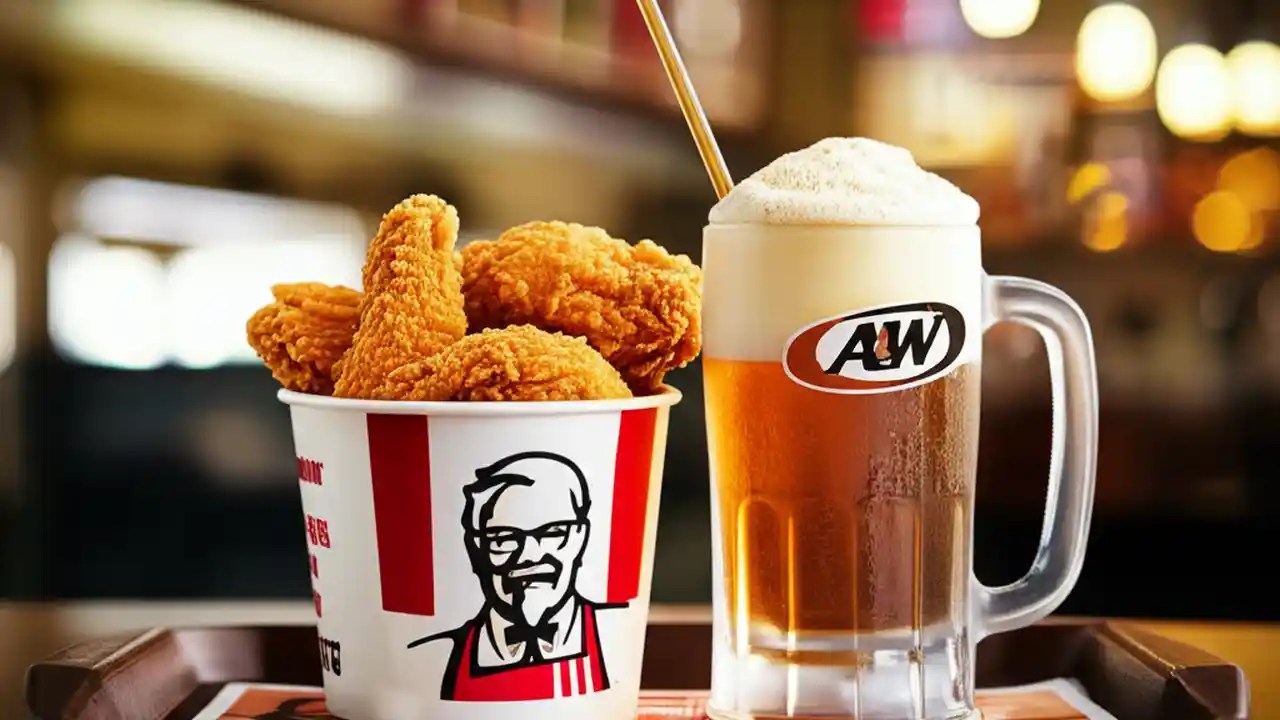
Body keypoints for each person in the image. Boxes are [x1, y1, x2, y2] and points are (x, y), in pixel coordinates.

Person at [409, 451, 616, 701]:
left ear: (580, 538)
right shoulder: (431, 656)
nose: (530, 555)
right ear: (475, 549)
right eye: (503, 538)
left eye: (552, 532)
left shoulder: (616, 636)